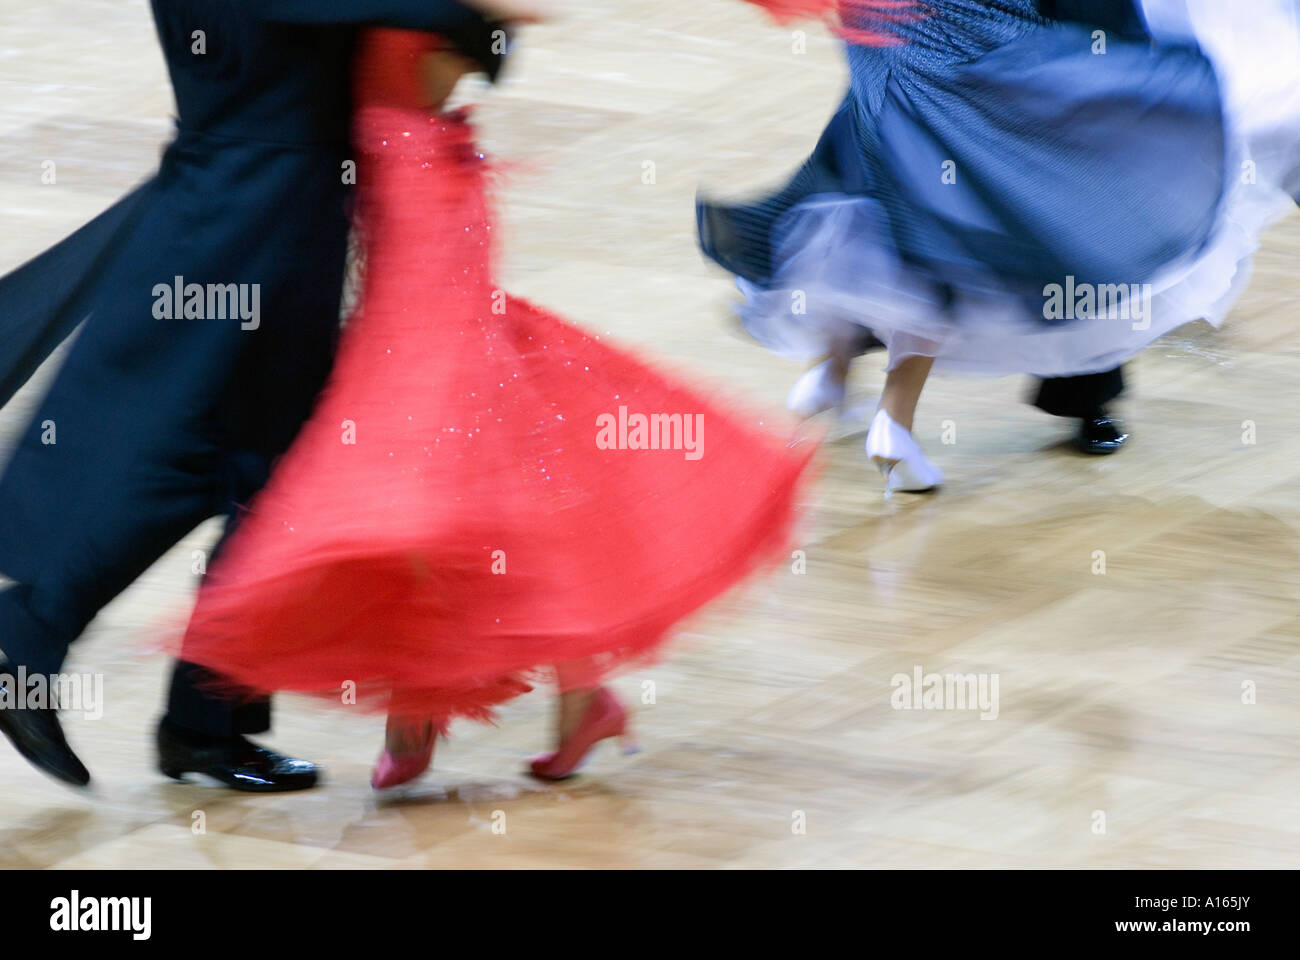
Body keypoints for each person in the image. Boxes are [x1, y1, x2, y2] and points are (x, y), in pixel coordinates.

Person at [173, 26, 815, 789]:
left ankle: (436, 705)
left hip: (422, 188)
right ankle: (532, 699)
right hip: (396, 182)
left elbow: (470, 48)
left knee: (438, 438)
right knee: (476, 430)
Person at [0, 0, 533, 791]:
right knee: (272, 471)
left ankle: (139, 692)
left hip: (246, 196)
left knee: (231, 468)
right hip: (263, 215)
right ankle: (145, 695)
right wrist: (473, 17)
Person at [699, 0, 1299, 491]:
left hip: (888, 50)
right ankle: (893, 421)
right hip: (969, 63)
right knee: (964, 236)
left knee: (877, 197)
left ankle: (831, 371)